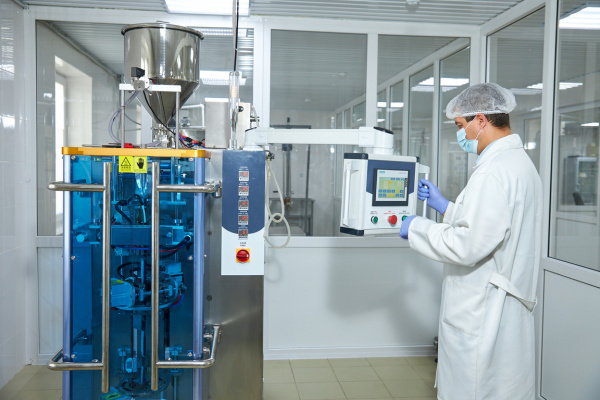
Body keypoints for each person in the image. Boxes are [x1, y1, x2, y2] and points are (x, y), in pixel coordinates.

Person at [399, 83, 542, 400]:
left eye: (459, 125)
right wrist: (446, 208)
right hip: (504, 306)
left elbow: (468, 245)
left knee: (476, 388)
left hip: (482, 311)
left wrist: (417, 227)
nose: (459, 135)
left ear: (480, 120)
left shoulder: (493, 172)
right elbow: (493, 227)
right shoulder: (519, 165)